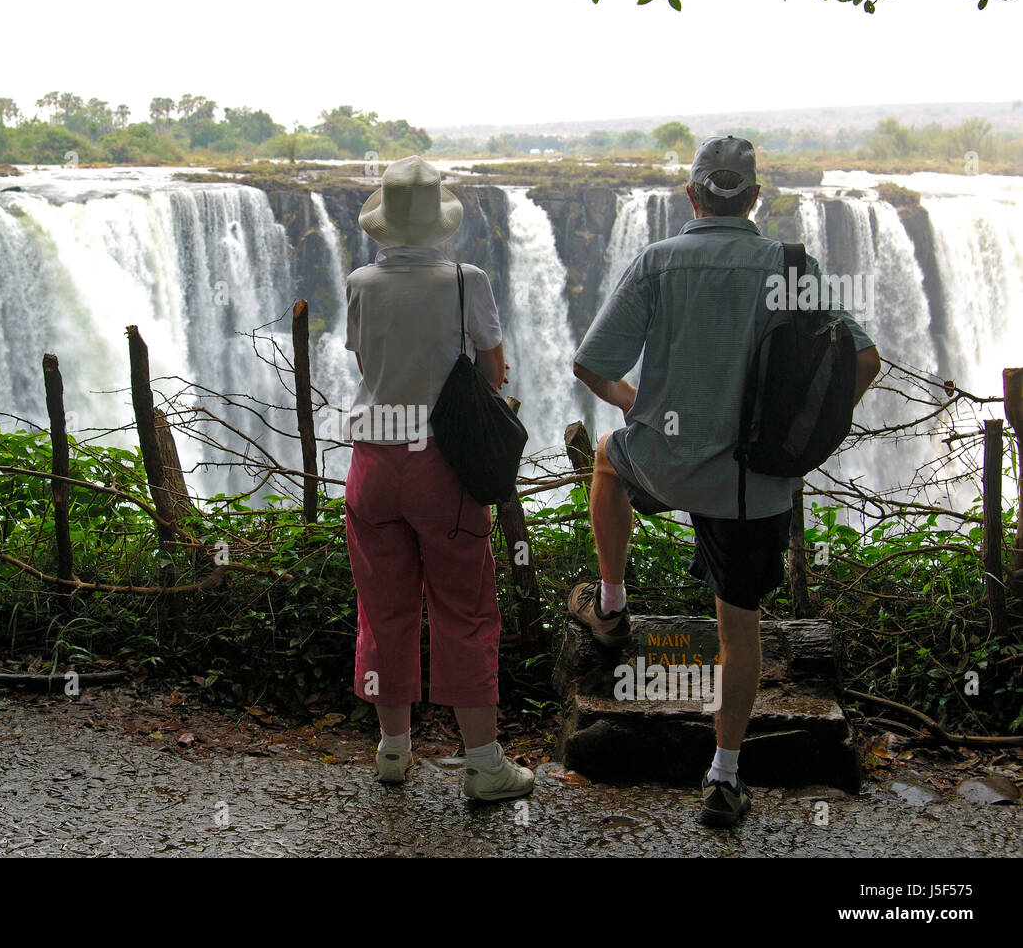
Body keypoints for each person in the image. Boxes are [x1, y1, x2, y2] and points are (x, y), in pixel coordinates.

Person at [568, 135, 881, 826]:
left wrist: (638, 407)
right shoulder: (790, 266)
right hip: (754, 482)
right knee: (740, 630)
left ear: (692, 195)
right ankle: (724, 777)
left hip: (666, 462)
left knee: (609, 458)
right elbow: (865, 361)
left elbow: (590, 364)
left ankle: (611, 603)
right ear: (756, 198)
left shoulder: (658, 262)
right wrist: (805, 436)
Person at [344, 154, 534, 802]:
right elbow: (493, 371)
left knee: (383, 608)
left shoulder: (360, 283)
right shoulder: (465, 280)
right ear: (438, 224)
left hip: (371, 463)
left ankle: (392, 751)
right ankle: (483, 763)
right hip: (440, 464)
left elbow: (368, 363)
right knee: (465, 609)